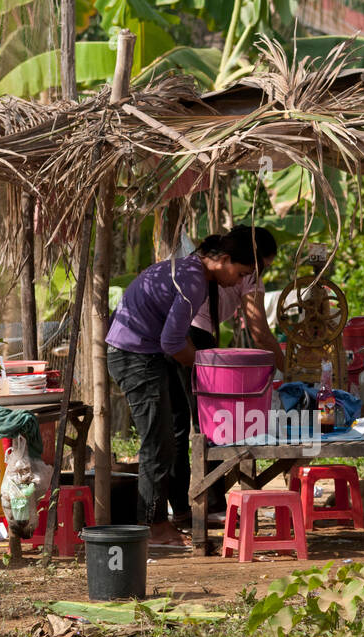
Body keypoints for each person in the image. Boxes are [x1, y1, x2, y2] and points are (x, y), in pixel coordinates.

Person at [105, 231, 262, 548]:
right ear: (224, 260)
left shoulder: (189, 269)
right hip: (135, 357)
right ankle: (153, 526)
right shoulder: (193, 280)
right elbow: (172, 342)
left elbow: (177, 335)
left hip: (138, 354)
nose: (239, 281)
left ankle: (156, 522)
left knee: (162, 441)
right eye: (241, 273)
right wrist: (209, 369)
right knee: (159, 443)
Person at [169, 226, 280, 528]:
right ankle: (212, 502)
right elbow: (259, 332)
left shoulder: (213, 258)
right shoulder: (245, 271)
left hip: (180, 337)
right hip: (191, 339)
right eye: (260, 267)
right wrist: (282, 367)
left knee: (183, 425)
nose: (255, 275)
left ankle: (182, 507)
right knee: (214, 423)